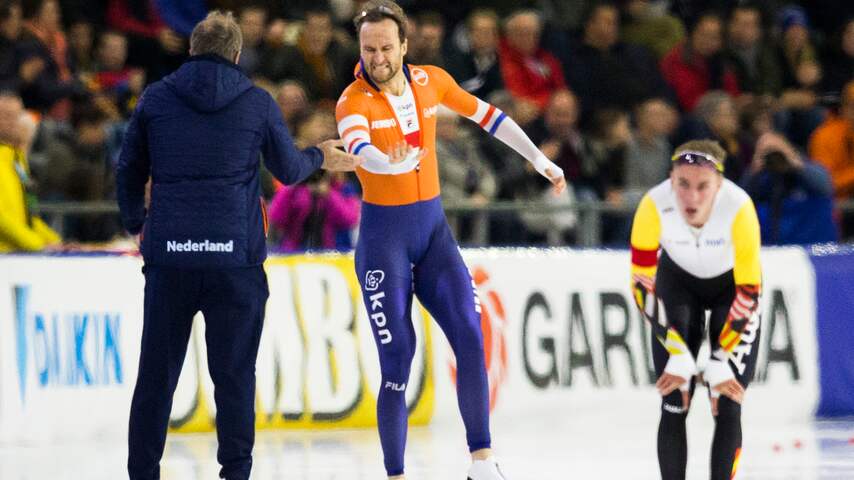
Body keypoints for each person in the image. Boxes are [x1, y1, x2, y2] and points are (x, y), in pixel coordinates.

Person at [116, 11, 362, 480]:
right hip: (236, 260)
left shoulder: (156, 98)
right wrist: (320, 156)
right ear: (235, 53)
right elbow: (289, 169)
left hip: (171, 259)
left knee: (156, 379)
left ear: (191, 50)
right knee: (233, 379)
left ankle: (143, 473)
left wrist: (136, 223)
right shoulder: (256, 102)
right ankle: (236, 473)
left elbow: (127, 167)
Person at [335, 2, 565, 479]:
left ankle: (482, 461)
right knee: (398, 360)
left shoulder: (431, 81)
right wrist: (388, 163)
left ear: (404, 46)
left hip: (433, 236)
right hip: (385, 244)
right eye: (367, 49)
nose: (376, 58)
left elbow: (490, 118)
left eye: (384, 48)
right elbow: (359, 150)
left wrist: (538, 159)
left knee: (470, 335)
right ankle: (396, 473)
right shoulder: (352, 100)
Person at [629, 139, 762, 480]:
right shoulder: (653, 204)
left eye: (703, 186)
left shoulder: (739, 206)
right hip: (678, 285)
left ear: (719, 185)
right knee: (673, 400)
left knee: (728, 401)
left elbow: (749, 291)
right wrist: (677, 351)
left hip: (731, 292)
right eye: (683, 184)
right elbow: (641, 285)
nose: (692, 197)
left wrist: (720, 359)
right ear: (670, 178)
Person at [742, 131, 836, 244]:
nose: (775, 157)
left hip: (815, 248)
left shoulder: (810, 171)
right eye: (766, 152)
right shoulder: (760, 179)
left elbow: (826, 188)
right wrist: (754, 170)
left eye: (777, 149)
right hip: (776, 251)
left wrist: (794, 162)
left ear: (790, 148)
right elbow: (741, 201)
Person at [0, 92, 60, 252]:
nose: (13, 122)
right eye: (6, 116)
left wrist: (56, 242)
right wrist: (37, 245)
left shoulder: (17, 161)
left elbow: (30, 215)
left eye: (17, 115)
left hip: (20, 253)